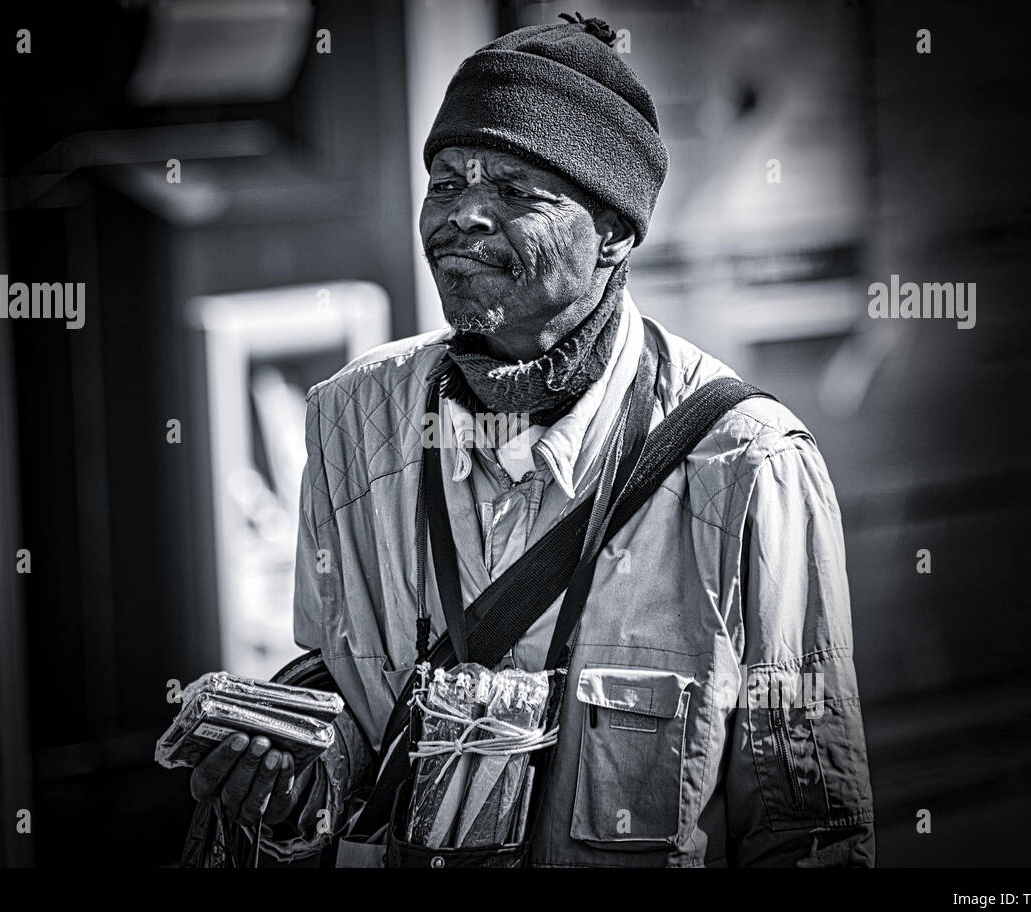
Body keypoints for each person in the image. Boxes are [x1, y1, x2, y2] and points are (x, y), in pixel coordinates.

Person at [188, 13, 874, 867]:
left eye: (516, 191)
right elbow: (352, 705)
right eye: (445, 184)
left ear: (614, 234)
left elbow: (809, 833)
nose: (464, 217)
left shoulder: (751, 468)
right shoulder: (351, 421)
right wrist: (295, 772)